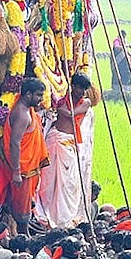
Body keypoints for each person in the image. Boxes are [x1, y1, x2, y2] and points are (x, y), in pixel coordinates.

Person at [39, 72, 95, 228]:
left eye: (84, 89)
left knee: (68, 183)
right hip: (55, 139)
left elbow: (69, 114)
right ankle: (48, 214)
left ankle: (64, 218)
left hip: (68, 143)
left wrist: (60, 104)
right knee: (49, 181)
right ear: (73, 86)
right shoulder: (62, 98)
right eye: (79, 88)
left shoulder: (85, 103)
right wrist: (60, 103)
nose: (82, 93)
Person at [0, 78, 50, 234]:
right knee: (21, 203)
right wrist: (16, 171)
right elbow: (15, 144)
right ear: (28, 94)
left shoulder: (28, 109)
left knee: (26, 201)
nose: (41, 99)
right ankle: (23, 234)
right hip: (22, 168)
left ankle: (22, 231)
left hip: (27, 167)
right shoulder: (22, 115)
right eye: (39, 95)